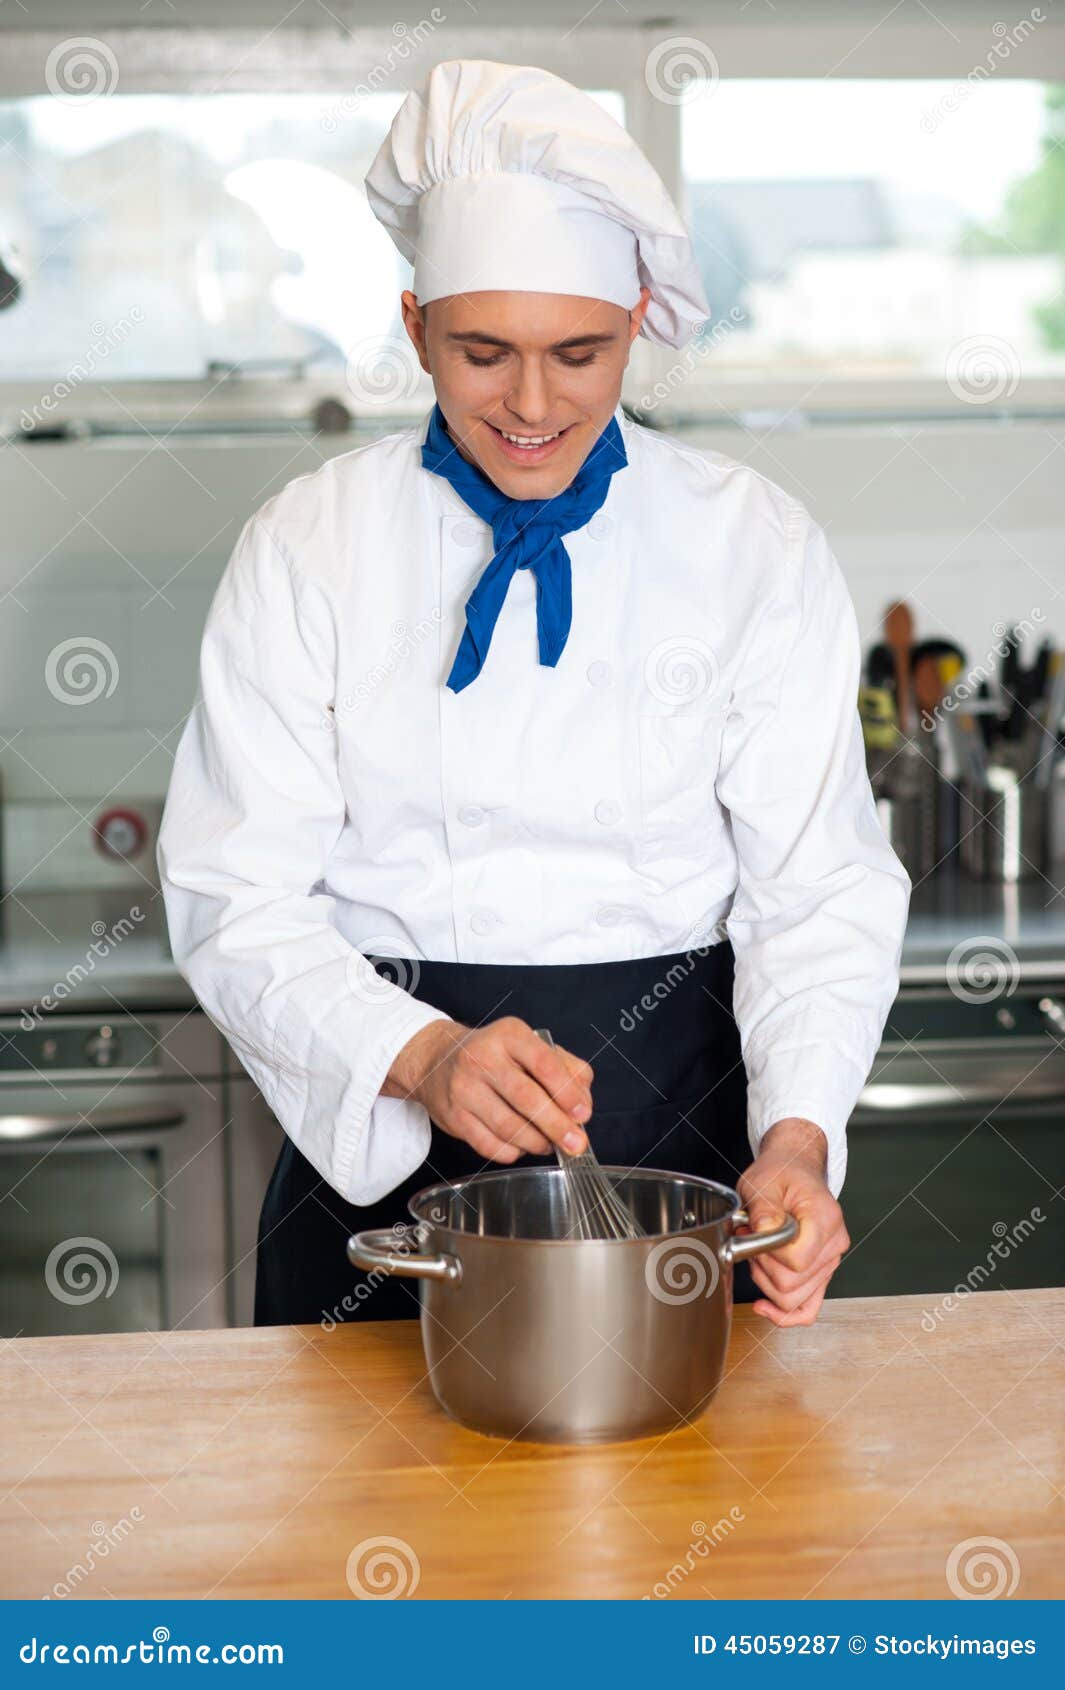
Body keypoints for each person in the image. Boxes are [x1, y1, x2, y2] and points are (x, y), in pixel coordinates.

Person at [158, 60, 910, 1333]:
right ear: (412, 329)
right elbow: (233, 894)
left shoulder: (750, 544)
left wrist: (799, 1139)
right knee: (360, 1512)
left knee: (698, 1518)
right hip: (383, 1156)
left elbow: (817, 885)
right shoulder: (308, 543)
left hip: (681, 1150)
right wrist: (425, 1055)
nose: (530, 404)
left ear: (636, 325)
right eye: (481, 351)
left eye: (580, 352)